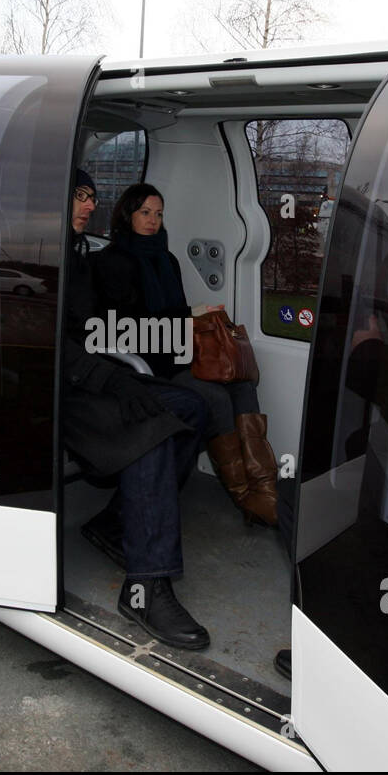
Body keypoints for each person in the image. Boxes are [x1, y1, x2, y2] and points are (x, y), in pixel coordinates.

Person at [60, 169, 211, 650]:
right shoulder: (40, 257)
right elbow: (48, 342)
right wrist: (113, 376)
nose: (87, 206)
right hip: (60, 393)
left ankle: (113, 523)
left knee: (191, 408)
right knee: (148, 430)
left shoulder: (78, 255)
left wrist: (122, 368)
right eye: (77, 197)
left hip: (100, 374)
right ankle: (145, 587)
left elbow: (93, 330)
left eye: (91, 197)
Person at [93, 182, 280, 526]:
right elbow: (121, 327)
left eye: (159, 214)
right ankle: (245, 497)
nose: (153, 221)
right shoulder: (112, 262)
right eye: (145, 213)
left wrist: (196, 318)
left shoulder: (168, 259)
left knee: (241, 385)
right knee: (216, 398)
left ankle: (265, 489)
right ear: (127, 215)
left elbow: (178, 317)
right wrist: (187, 316)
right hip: (145, 360)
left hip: (179, 350)